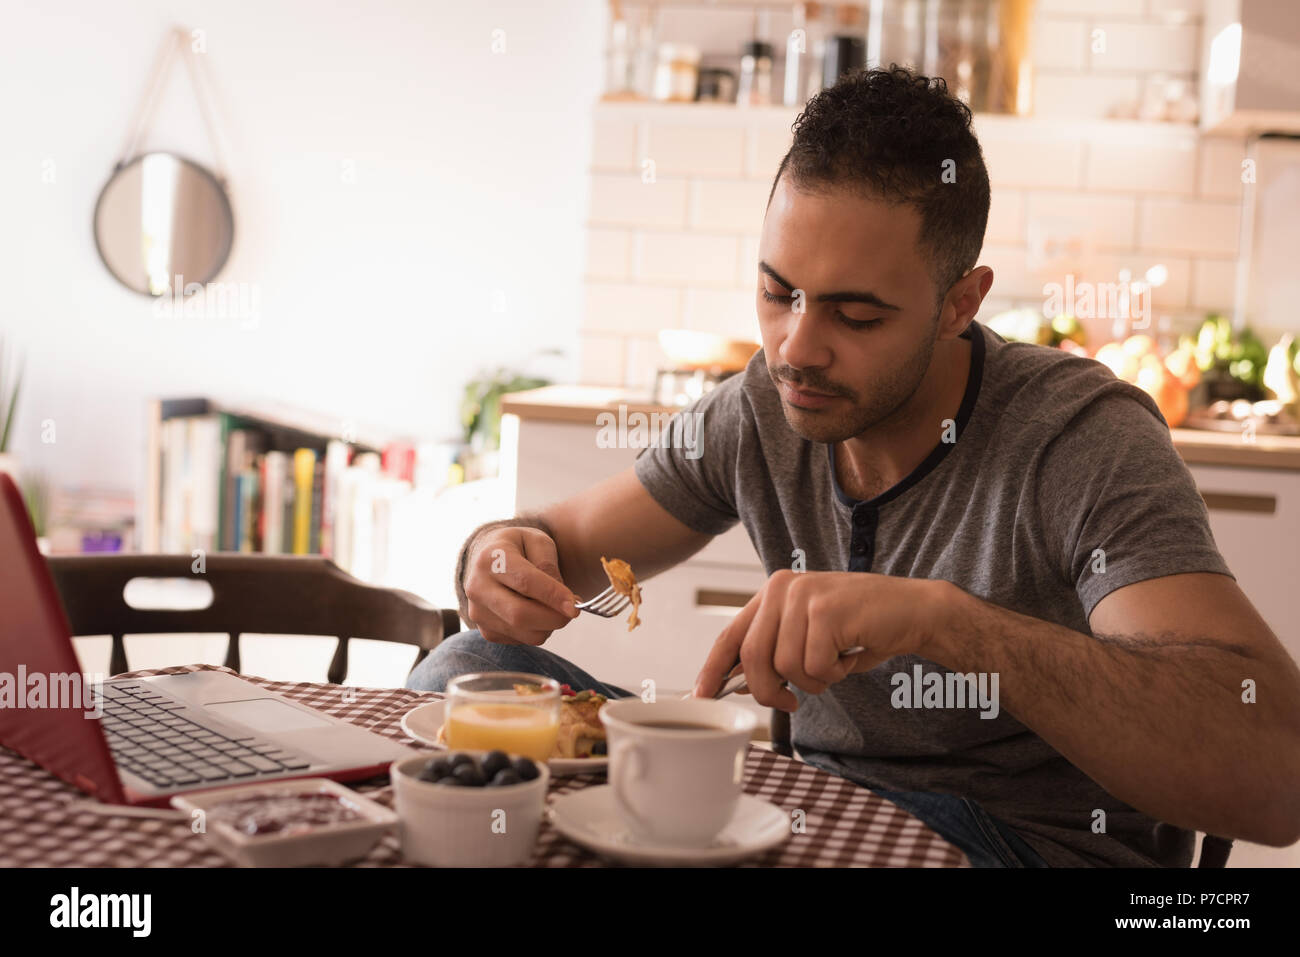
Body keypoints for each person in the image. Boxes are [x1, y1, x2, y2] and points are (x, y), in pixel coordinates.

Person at [408, 66, 1300, 868]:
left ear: (961, 302)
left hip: (1014, 842)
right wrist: (497, 553)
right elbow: (555, 543)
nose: (797, 347)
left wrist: (947, 625)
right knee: (470, 664)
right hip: (813, 811)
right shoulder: (762, 407)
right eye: (776, 292)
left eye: (856, 315)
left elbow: (1275, 772)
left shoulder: (1079, 436)